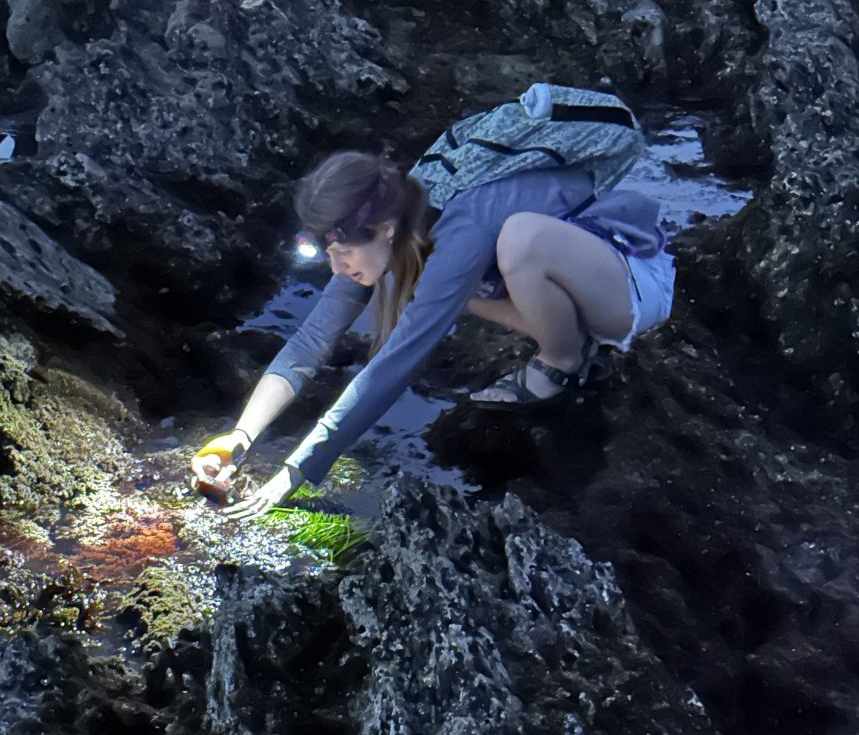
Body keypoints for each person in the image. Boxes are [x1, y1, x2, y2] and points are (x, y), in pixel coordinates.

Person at [192, 150, 672, 519]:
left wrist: (296, 472)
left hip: (632, 284)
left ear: (382, 229)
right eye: (327, 253)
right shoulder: (394, 225)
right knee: (426, 276)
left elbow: (393, 367)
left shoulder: (458, 231)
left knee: (519, 240)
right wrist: (240, 437)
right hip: (577, 281)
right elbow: (309, 342)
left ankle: (565, 361)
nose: (336, 267)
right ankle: (573, 340)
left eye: (343, 252)